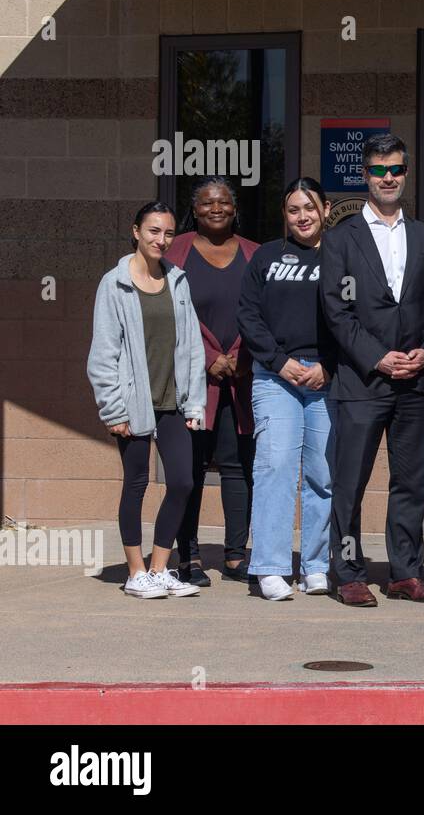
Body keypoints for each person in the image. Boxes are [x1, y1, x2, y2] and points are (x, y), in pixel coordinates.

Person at [320, 133, 424, 607]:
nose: (388, 177)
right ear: (365, 175)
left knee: (410, 482)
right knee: (350, 482)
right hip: (362, 379)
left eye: (395, 169)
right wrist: (376, 356)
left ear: (405, 175)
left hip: (416, 380)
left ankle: (405, 573)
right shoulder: (339, 238)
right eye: (378, 170)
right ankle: (348, 571)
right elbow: (336, 311)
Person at [88, 202, 205, 599]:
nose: (161, 240)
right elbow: (103, 353)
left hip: (172, 400)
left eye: (169, 233)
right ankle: (135, 572)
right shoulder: (115, 284)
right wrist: (113, 409)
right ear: (136, 231)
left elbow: (191, 345)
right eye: (154, 231)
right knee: (136, 483)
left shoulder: (178, 280)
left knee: (183, 482)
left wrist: (195, 404)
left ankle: (159, 568)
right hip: (133, 402)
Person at [237, 177, 337, 602]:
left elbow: (354, 316)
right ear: (285, 215)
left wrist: (329, 366)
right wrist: (280, 362)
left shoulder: (341, 255)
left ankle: (316, 565)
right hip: (276, 378)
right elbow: (248, 315)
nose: (302, 216)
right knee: (275, 467)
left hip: (326, 380)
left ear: (326, 210)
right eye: (294, 209)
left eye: (310, 207)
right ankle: (271, 566)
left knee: (323, 473)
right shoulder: (266, 257)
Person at [167, 176, 260, 586]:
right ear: (195, 208)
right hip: (191, 379)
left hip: (243, 377)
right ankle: (187, 555)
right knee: (190, 468)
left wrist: (242, 356)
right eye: (207, 203)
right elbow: (167, 313)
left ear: (234, 208)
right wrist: (208, 359)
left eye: (223, 202)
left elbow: (264, 312)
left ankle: (236, 555)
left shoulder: (256, 254)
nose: (216, 208)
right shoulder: (175, 252)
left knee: (239, 465)